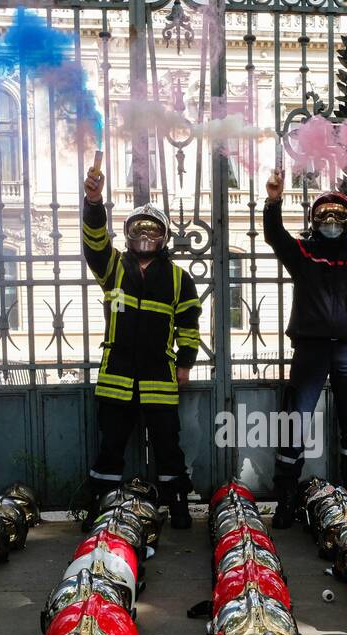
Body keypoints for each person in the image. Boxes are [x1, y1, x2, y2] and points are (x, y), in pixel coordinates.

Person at [81, 161, 204, 529]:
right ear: (128, 234)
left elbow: (189, 325)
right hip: (117, 375)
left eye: (152, 229)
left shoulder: (180, 280)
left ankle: (178, 506)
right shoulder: (113, 267)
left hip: (159, 378)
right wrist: (93, 202)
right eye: (138, 229)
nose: (145, 234)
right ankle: (98, 508)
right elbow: (94, 242)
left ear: (164, 236)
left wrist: (185, 363)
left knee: (168, 446)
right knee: (111, 447)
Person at [262, 168, 347, 528]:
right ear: (314, 221)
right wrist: (273, 201)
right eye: (324, 215)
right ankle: (285, 499)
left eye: (338, 216)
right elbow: (274, 236)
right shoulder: (303, 254)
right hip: (310, 350)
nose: (331, 221)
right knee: (294, 421)